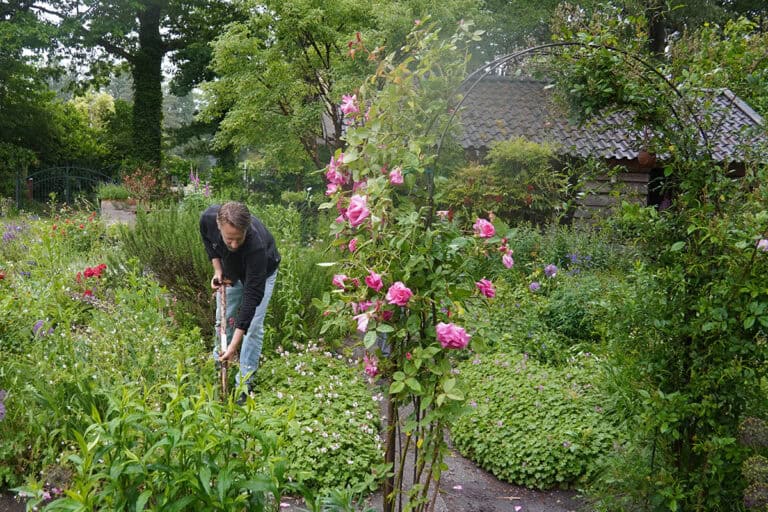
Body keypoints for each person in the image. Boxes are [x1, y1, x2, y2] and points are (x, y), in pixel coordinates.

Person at [200, 202, 280, 404]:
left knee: (252, 327)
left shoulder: (257, 246)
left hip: (262, 272)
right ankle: (218, 369)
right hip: (231, 271)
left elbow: (252, 297)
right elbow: (210, 244)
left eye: (239, 239)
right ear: (219, 227)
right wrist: (218, 270)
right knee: (224, 320)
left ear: (246, 230)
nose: (234, 245)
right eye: (229, 239)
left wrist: (235, 345)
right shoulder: (208, 219)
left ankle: (243, 384)